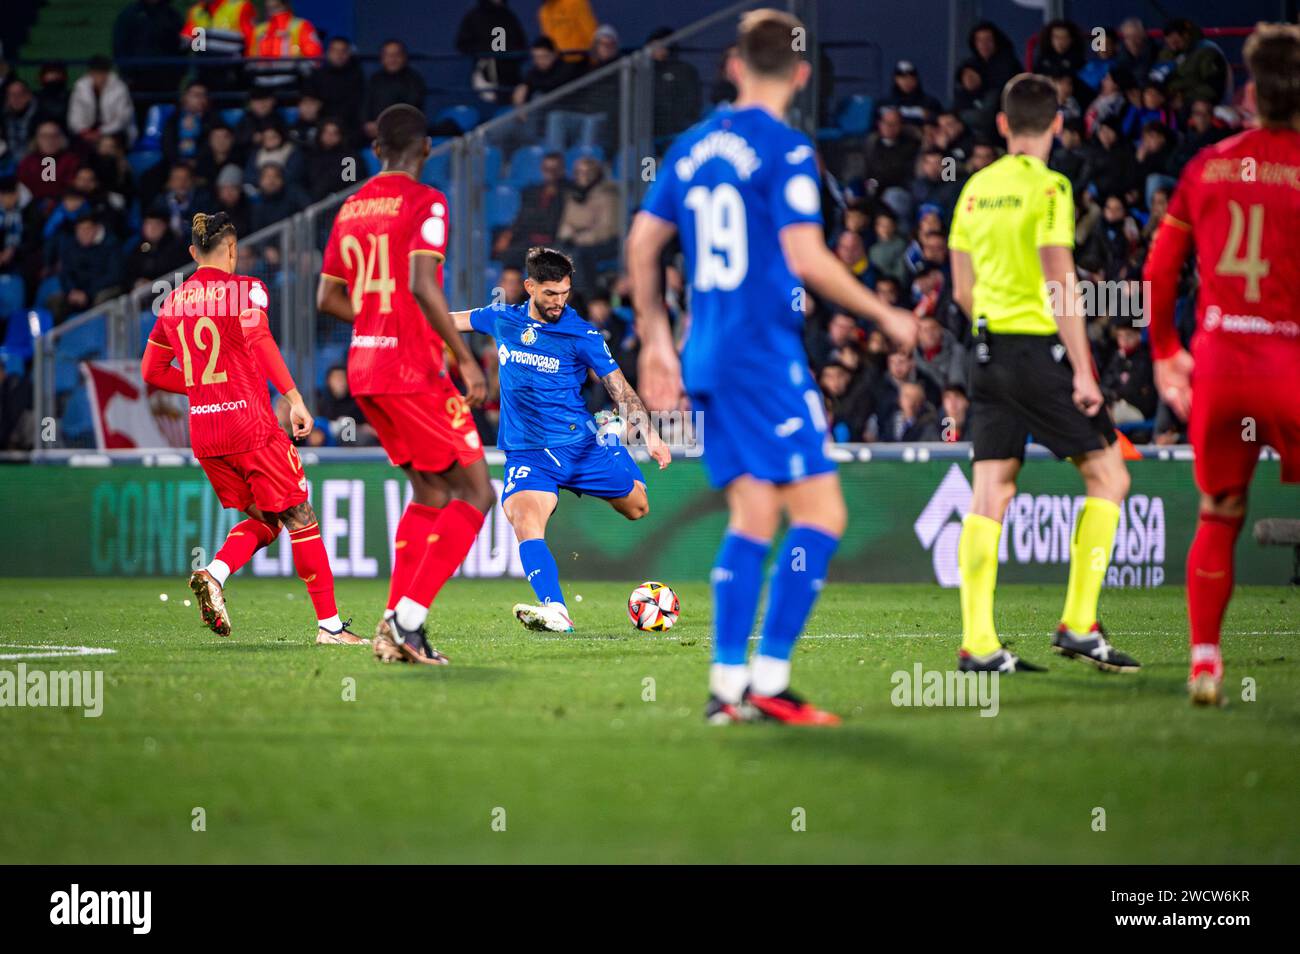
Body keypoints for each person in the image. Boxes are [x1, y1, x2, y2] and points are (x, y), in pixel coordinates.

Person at [628, 8, 919, 725]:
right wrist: (888, 316)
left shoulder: (691, 148)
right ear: (800, 74)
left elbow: (640, 245)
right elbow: (807, 257)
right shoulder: (787, 149)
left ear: (732, 66)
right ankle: (769, 679)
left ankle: (729, 691)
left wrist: (655, 340)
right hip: (762, 354)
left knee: (755, 513)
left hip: (706, 353)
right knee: (823, 512)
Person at [947, 73, 1139, 674]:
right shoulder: (1051, 188)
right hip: (1038, 353)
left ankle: (979, 643)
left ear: (1003, 125)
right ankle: (1079, 623)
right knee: (1109, 477)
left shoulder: (973, 190)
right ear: (1058, 123)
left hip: (986, 356)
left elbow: (960, 288)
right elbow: (1062, 282)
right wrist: (1084, 369)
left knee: (991, 491)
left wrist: (994, 322)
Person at [1144, 23, 1300, 706]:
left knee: (1219, 514)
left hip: (1222, 367)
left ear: (1248, 92)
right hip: (1289, 364)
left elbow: (1158, 268)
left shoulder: (1206, 166)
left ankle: (1205, 662)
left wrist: (1164, 353)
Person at [316, 104, 496, 666]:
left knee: (431, 493)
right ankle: (408, 620)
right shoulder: (426, 201)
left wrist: (374, 321)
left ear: (375, 150)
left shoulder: (349, 208)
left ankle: (394, 631)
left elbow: (326, 298)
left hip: (366, 371)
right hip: (413, 371)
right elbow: (422, 282)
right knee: (477, 492)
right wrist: (465, 360)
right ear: (425, 149)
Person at [140, 211, 360, 645]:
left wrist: (202, 386)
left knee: (267, 519)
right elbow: (259, 339)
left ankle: (215, 573)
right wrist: (295, 398)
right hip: (250, 426)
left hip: (205, 433)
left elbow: (151, 371)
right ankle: (330, 628)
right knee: (301, 515)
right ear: (234, 249)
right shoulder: (246, 290)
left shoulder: (172, 302)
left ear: (192, 253)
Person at [448, 247, 670, 632]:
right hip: (528, 452)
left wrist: (649, 434)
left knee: (637, 508)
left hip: (580, 448)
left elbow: (618, 388)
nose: (558, 302)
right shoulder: (501, 319)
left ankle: (612, 439)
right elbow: (448, 321)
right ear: (530, 287)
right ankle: (556, 610)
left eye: (564, 293)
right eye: (550, 294)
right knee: (524, 520)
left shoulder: (581, 332)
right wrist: (395, 318)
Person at [363, 40, 428, 141]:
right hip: (374, 131)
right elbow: (365, 104)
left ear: (404, 57)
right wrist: (367, 124)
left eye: (396, 55)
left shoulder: (414, 80)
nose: (392, 59)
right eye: (388, 55)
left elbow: (411, 109)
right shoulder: (375, 79)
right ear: (382, 58)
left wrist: (385, 126)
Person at [67, 55, 136, 147]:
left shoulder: (120, 88)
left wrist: (101, 132)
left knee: (106, 145)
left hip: (114, 132)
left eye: (102, 73)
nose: (99, 76)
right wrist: (84, 131)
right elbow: (74, 116)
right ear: (90, 73)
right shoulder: (80, 87)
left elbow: (122, 120)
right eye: (95, 73)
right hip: (86, 132)